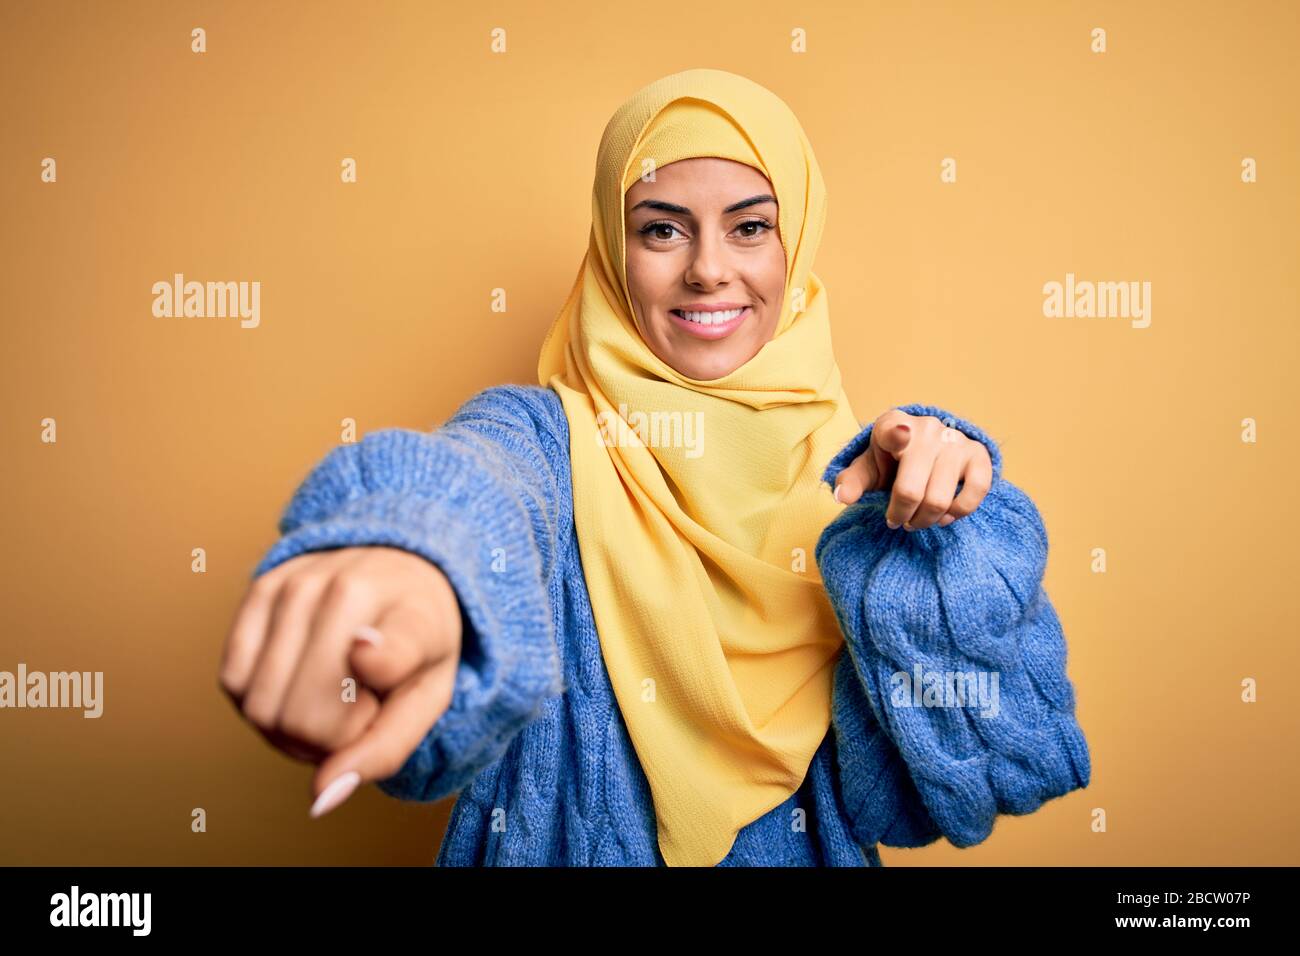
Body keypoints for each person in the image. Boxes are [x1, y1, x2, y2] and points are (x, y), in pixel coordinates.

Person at [219, 68, 1090, 866]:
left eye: (750, 227)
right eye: (662, 229)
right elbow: (478, 480)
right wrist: (418, 557)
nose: (708, 270)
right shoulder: (547, 438)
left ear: (796, 243)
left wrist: (934, 543)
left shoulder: (866, 486)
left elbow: (959, 792)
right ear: (612, 248)